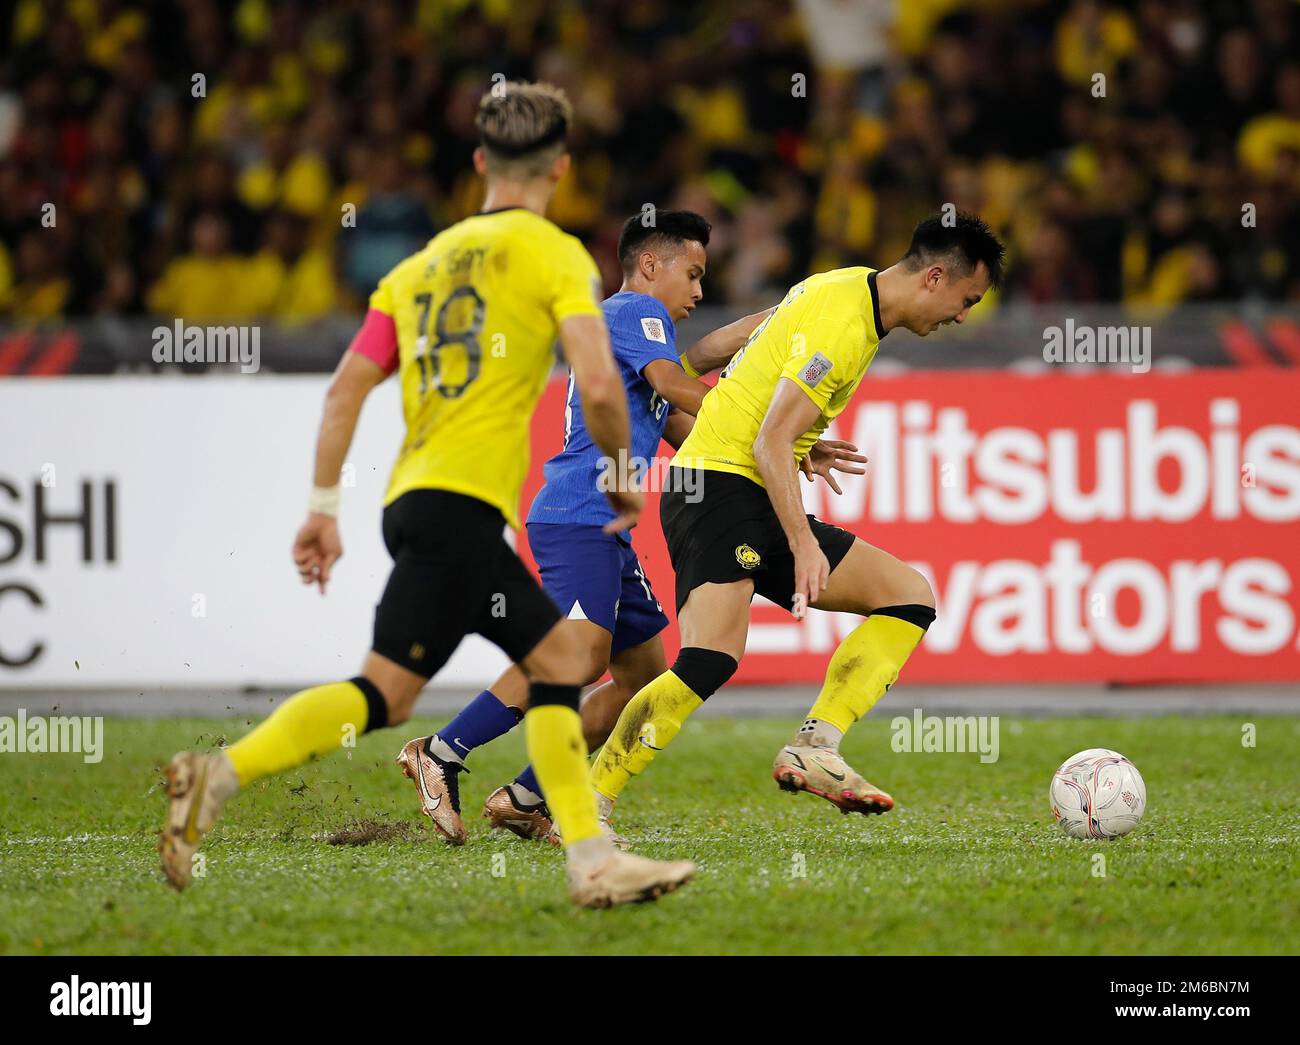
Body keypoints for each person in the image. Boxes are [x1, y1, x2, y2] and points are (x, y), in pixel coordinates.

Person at [159, 81, 694, 908]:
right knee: (558, 662)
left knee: (389, 692)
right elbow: (597, 383)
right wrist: (624, 474)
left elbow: (345, 391)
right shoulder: (556, 256)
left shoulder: (413, 269)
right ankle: (588, 857)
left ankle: (216, 775)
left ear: (479, 162)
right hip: (465, 508)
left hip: (408, 508)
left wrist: (322, 510)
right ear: (559, 169)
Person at [395, 211, 829, 846]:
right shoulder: (635, 312)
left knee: (642, 681)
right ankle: (440, 750)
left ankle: (524, 796)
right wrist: (776, 419)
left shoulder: (633, 336)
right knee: (576, 654)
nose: (699, 293)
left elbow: (691, 430)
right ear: (651, 266)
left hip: (604, 527)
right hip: (578, 515)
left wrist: (786, 447)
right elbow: (680, 384)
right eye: (694, 274)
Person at [587, 213, 1006, 833]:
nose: (962, 315)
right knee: (708, 659)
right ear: (936, 276)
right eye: (966, 300)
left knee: (908, 598)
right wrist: (803, 543)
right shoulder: (843, 322)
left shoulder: (834, 288)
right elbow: (771, 443)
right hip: (715, 488)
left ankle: (816, 745)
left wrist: (760, 417)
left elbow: (714, 350)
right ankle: (587, 801)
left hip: (740, 485)